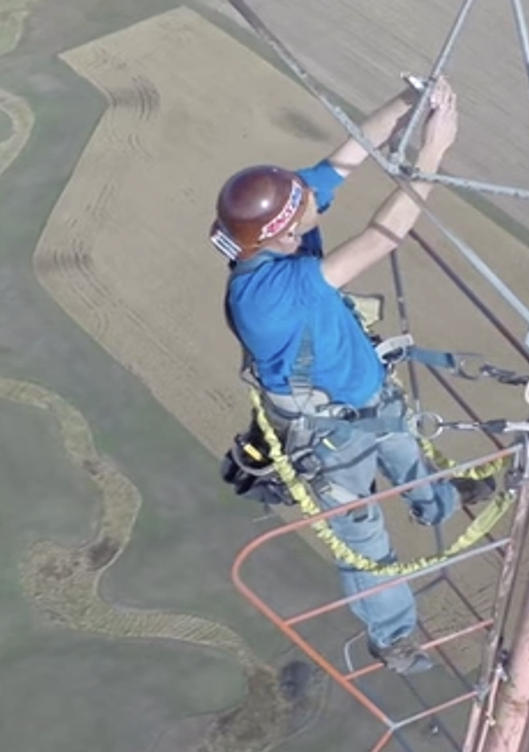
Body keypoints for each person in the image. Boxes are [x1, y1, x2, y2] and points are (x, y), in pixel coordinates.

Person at [211, 77, 493, 675]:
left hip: (364, 392)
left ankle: (441, 501)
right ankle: (392, 636)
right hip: (328, 436)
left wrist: (407, 102)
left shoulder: (275, 231)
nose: (315, 197)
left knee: (405, 450)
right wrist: (433, 153)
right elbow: (382, 238)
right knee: (364, 540)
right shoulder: (266, 294)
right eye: (305, 205)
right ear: (284, 232)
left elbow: (344, 157)